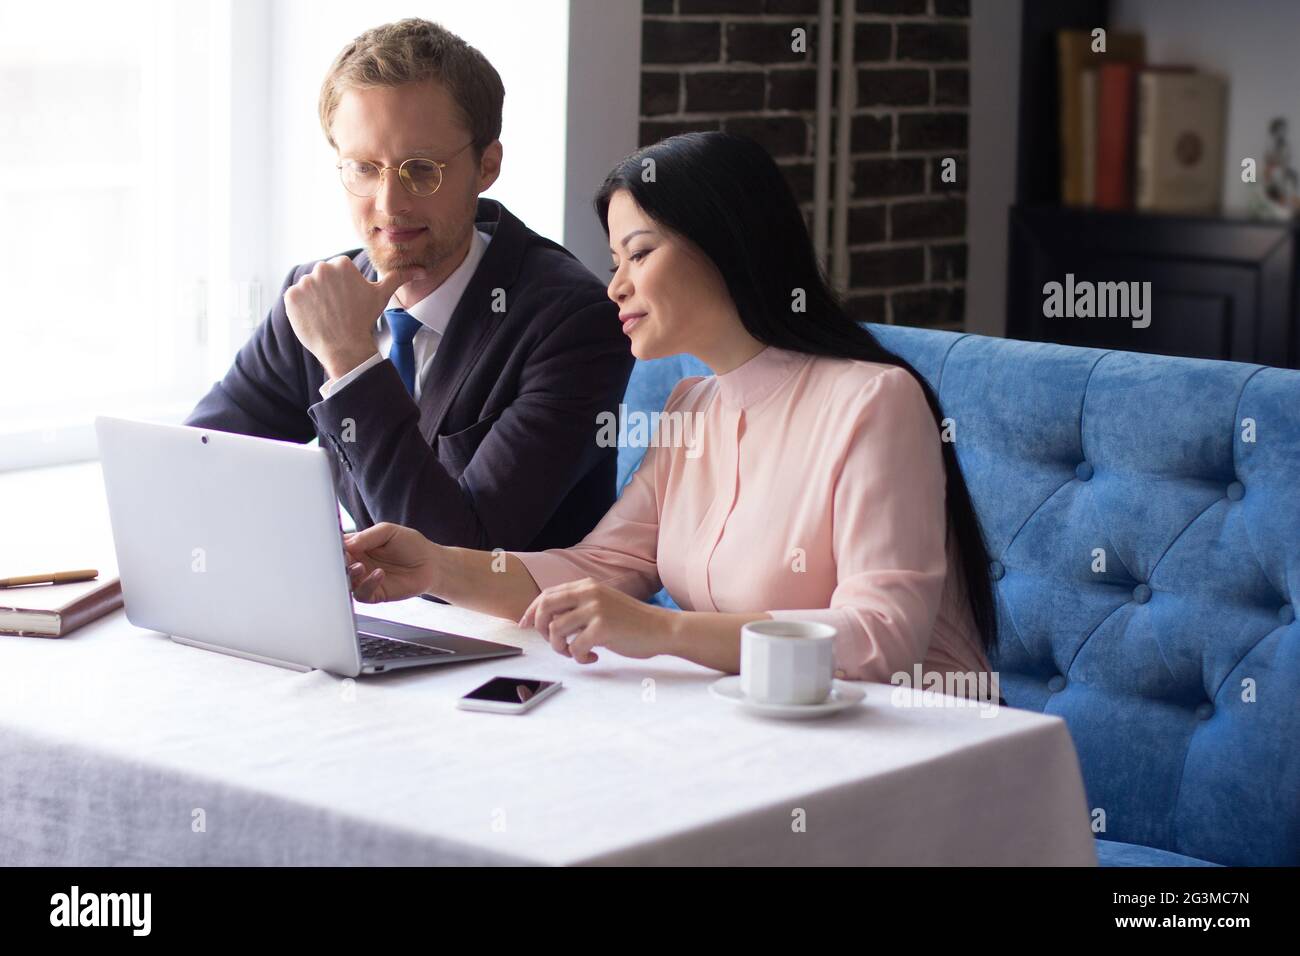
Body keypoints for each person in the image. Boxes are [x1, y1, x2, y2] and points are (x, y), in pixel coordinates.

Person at [343, 131, 998, 689]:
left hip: (917, 757)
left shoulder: (874, 402)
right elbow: (596, 567)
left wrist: (662, 630)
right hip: (763, 734)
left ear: (727, 244)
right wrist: (437, 564)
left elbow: (880, 640)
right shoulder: (696, 407)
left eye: (640, 253)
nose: (615, 286)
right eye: (613, 260)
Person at [186, 18, 633, 551]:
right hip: (369, 619)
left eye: (421, 170)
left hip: (510, 629)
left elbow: (456, 556)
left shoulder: (574, 321)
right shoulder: (315, 296)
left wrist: (352, 361)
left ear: (486, 166)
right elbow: (197, 466)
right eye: (364, 169)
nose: (389, 204)